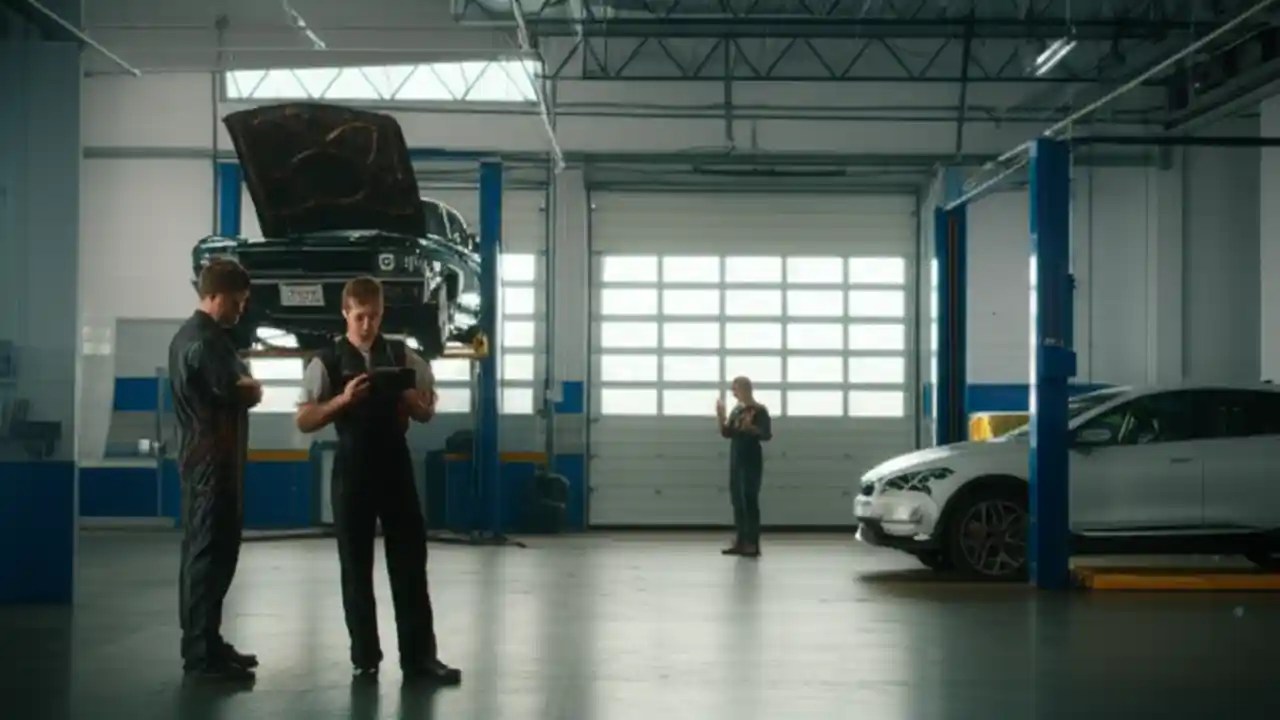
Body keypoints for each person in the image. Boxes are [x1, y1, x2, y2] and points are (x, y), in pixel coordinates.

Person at [295, 276, 461, 685]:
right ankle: (365, 658)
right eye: (360, 317)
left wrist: (413, 401)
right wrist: (342, 401)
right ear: (345, 313)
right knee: (356, 566)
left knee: (409, 564)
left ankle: (420, 659)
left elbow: (427, 409)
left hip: (395, 466)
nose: (368, 325)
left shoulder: (403, 355)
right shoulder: (326, 361)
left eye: (375, 316)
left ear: (383, 313)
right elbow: (304, 419)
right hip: (352, 468)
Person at [168, 258, 262, 681]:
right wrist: (250, 386)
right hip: (210, 464)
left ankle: (210, 640)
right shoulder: (204, 341)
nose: (241, 311)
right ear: (216, 297)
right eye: (238, 303)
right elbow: (239, 387)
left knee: (218, 553)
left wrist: (246, 383)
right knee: (207, 556)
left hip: (214, 460)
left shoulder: (206, 338)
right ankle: (200, 654)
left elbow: (239, 383)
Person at [715, 376, 773, 558]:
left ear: (745, 389)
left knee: (749, 498)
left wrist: (751, 429)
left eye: (735, 389)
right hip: (736, 458)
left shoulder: (760, 410)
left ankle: (752, 544)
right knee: (737, 499)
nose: (733, 393)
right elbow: (727, 432)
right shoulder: (737, 411)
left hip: (751, 458)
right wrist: (721, 417)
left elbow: (766, 434)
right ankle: (741, 541)